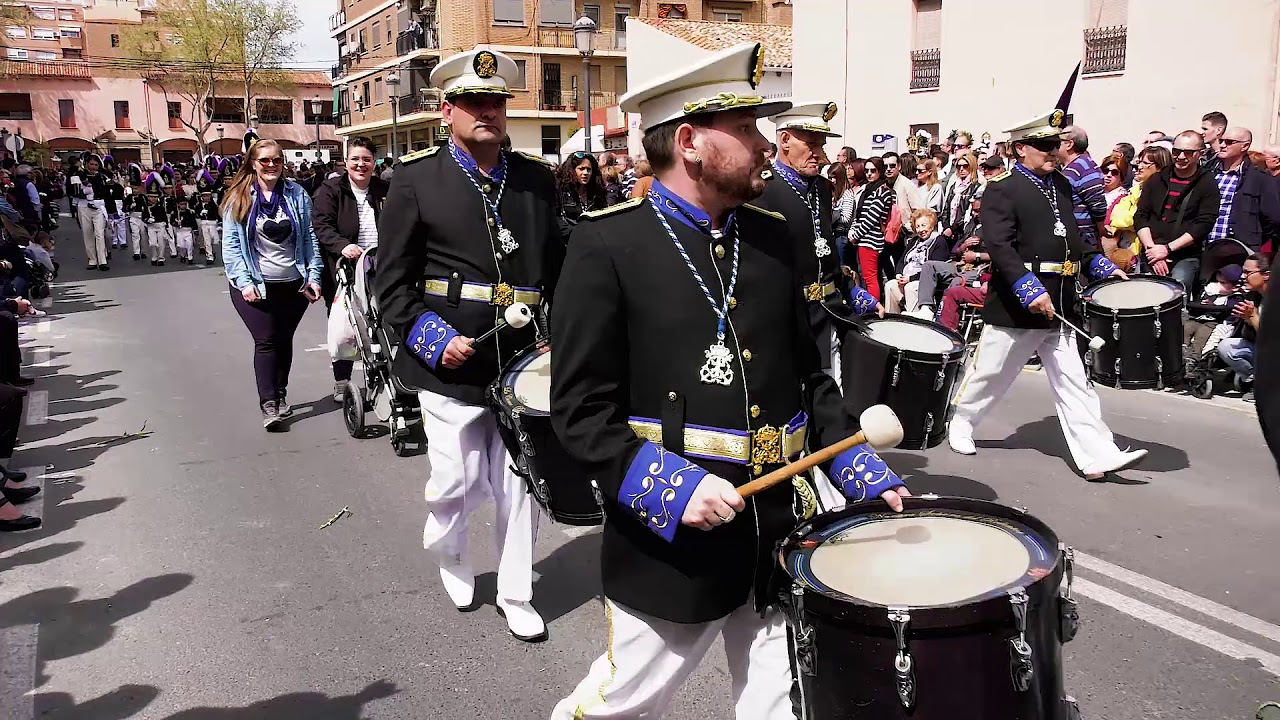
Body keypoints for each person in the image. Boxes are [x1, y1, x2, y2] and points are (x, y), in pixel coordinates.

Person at [547, 42, 909, 720]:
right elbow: (580, 411)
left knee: (782, 706)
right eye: (744, 129)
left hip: (781, 530)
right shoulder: (608, 245)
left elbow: (807, 374)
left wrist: (856, 464)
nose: (764, 144)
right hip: (674, 543)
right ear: (690, 143)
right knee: (620, 705)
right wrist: (671, 487)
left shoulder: (773, 236)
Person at [373, 48, 566, 642]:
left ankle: (515, 591)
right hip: (451, 361)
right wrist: (432, 338)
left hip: (525, 359)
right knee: (455, 481)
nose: (487, 111)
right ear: (447, 110)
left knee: (521, 482)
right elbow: (391, 283)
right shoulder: (415, 179)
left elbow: (561, 269)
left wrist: (562, 337)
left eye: (496, 102)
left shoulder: (536, 179)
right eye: (473, 102)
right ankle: (450, 548)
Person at [947, 86, 1147, 480]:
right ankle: (961, 420)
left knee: (1075, 381)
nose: (1052, 151)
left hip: (1061, 300)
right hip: (1019, 302)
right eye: (1043, 145)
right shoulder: (1002, 188)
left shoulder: (1062, 185)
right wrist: (1028, 288)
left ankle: (1096, 453)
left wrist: (1100, 265)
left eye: (1055, 144)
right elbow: (1000, 246)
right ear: (1021, 148)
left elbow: (1073, 239)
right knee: (991, 373)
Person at [757, 102, 881, 374]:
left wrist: (854, 292)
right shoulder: (762, 190)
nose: (820, 155)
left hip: (828, 314)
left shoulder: (822, 189)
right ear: (785, 140)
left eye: (821, 145)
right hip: (788, 322)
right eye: (811, 144)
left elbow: (827, 256)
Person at [221, 138, 324, 430]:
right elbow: (231, 246)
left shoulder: (297, 194)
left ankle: (280, 393)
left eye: (276, 160)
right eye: (264, 160)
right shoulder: (239, 197)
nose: (271, 165)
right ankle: (268, 403)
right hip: (255, 283)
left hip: (292, 282)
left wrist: (314, 276)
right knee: (266, 339)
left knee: (284, 338)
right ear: (253, 163)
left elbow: (310, 237)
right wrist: (244, 282)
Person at [313, 136, 388, 402]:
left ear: (374, 162)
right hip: (346, 268)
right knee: (346, 326)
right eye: (355, 159)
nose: (360, 164)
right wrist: (342, 246)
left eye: (366, 159)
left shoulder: (385, 189)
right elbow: (322, 225)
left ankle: (382, 376)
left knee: (382, 324)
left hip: (381, 266)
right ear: (346, 162)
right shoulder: (331, 190)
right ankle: (342, 380)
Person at [1133, 131, 1219, 295]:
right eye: (1176, 151)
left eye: (1188, 152)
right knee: (1143, 297)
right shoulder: (1157, 179)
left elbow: (1203, 224)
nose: (1180, 156)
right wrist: (1153, 251)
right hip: (1151, 252)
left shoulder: (1207, 183)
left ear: (1200, 154)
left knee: (1175, 296)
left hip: (1184, 256)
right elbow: (1141, 216)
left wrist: (1167, 249)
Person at [1216, 254, 1270, 400]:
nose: (1242, 276)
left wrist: (1253, 317)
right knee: (1226, 347)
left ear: (1266, 275)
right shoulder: (1253, 296)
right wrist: (1247, 320)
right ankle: (1255, 381)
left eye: (1247, 272)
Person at [66, 154, 110, 271]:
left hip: (99, 206)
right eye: (91, 164)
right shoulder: (78, 175)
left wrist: (112, 211)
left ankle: (102, 260)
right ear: (86, 164)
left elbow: (106, 194)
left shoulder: (102, 177)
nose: (93, 167)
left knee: (100, 234)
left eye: (96, 165)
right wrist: (82, 190)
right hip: (84, 206)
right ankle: (92, 260)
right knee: (88, 233)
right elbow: (72, 191)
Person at [557, 151, 607, 223]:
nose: (586, 173)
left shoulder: (598, 192)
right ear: (572, 170)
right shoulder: (562, 190)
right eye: (581, 169)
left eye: (588, 169)